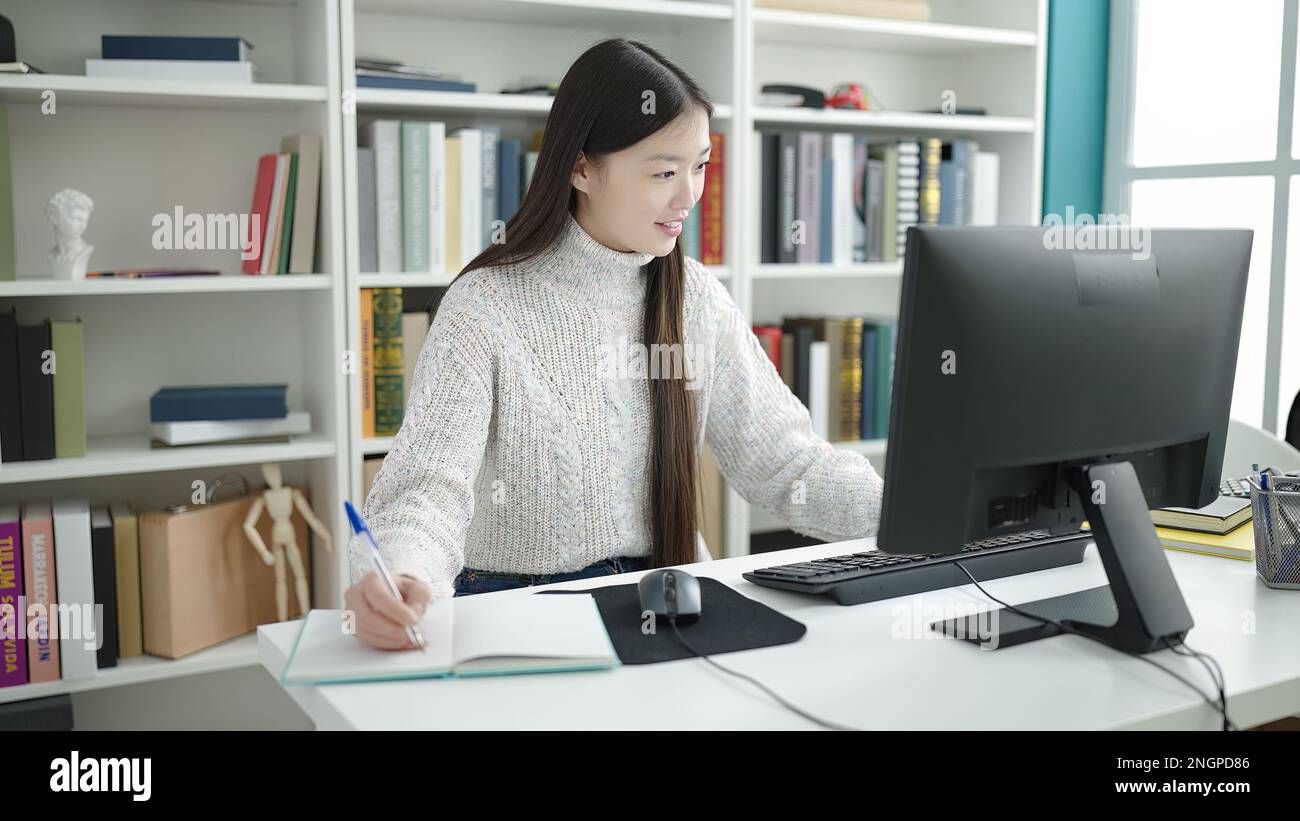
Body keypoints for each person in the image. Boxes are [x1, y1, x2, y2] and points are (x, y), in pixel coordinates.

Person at [345, 38, 883, 651]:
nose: (689, 197)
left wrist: (919, 517)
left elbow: (787, 464)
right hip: (514, 608)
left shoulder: (694, 297)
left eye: (701, 166)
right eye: (663, 172)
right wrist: (403, 573)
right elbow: (427, 489)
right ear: (579, 167)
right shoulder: (484, 306)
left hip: (668, 599)